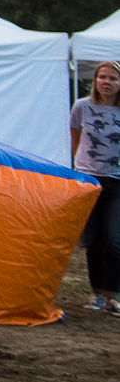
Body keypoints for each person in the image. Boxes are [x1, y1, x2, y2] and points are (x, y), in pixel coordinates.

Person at [72, 60, 120, 314]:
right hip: (89, 180)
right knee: (93, 239)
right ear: (95, 81)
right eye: (102, 77)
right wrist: (77, 170)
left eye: (112, 78)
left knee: (114, 238)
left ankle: (114, 294)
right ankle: (96, 293)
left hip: (117, 181)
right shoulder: (82, 107)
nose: (106, 82)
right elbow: (75, 138)